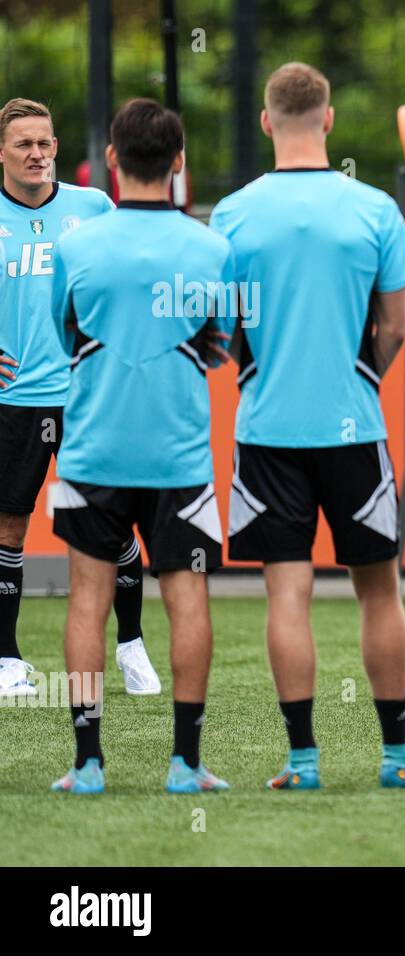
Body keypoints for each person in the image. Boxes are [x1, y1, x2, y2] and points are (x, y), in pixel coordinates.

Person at [209, 62, 405, 790]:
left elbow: (220, 334)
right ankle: (398, 755)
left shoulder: (231, 214)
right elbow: (399, 325)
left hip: (266, 430)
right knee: (381, 590)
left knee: (288, 594)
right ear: (330, 119)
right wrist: (363, 378)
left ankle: (303, 761)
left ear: (265, 121)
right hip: (354, 430)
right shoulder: (373, 208)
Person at [47, 98, 233, 793]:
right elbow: (221, 345)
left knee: (86, 601)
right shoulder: (214, 248)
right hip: (179, 458)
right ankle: (185, 765)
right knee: (188, 600)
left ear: (116, 162)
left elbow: (65, 334)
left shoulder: (76, 244)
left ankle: (87, 764)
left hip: (92, 451)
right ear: (179, 163)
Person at [0, 97, 161, 699]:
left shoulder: (94, 207)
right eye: (24, 145)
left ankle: (132, 646)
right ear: (2, 153)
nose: (38, 153)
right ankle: (7, 660)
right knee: (10, 527)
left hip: (89, 396)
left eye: (45, 142)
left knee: (113, 520)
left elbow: (129, 281)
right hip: (15, 399)